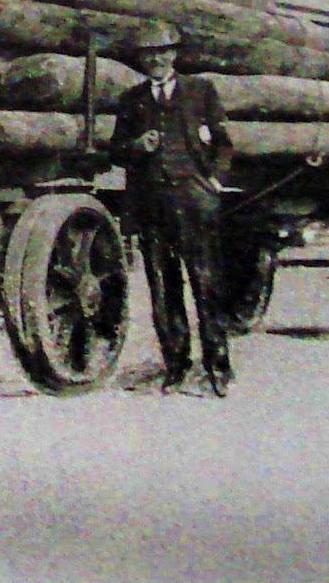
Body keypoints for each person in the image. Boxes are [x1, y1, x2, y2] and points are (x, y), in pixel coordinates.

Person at [109, 21, 237, 397]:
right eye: (148, 55)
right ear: (142, 60)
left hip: (195, 203)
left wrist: (214, 182)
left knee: (206, 284)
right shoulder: (131, 100)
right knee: (163, 289)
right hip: (151, 205)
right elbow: (115, 151)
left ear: (174, 55)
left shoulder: (200, 91)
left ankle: (218, 368)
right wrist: (137, 146)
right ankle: (176, 366)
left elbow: (224, 144)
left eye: (162, 52)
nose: (156, 60)